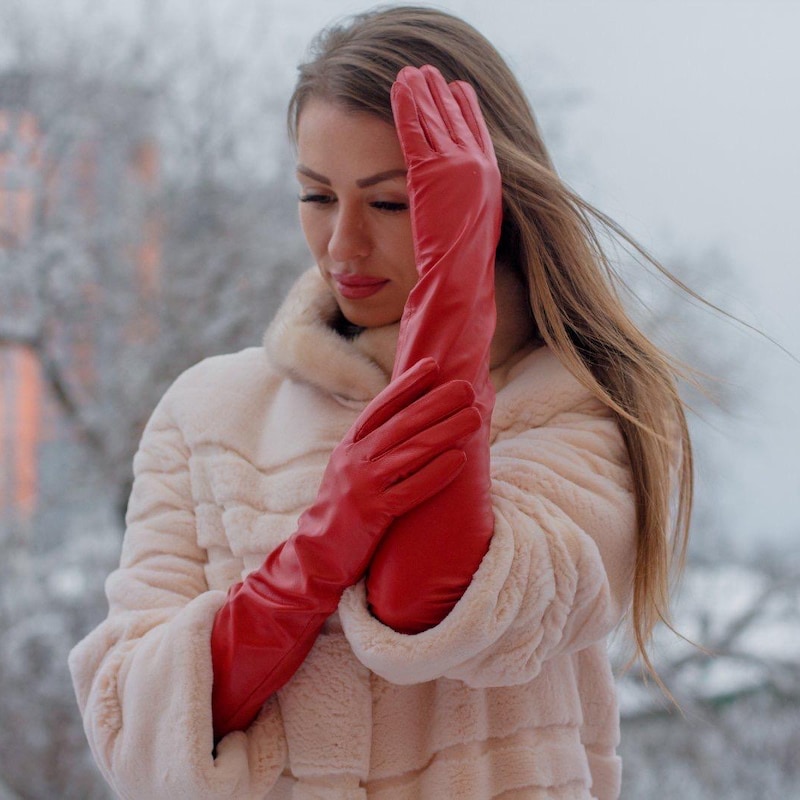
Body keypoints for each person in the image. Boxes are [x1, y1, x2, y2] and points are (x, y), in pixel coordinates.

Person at [69, 6, 693, 799]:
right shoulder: (209, 412)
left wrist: (453, 283)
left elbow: (427, 607)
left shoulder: (587, 414)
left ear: (483, 208)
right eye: (316, 196)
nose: (343, 245)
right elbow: (142, 734)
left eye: (394, 204)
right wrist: (321, 549)